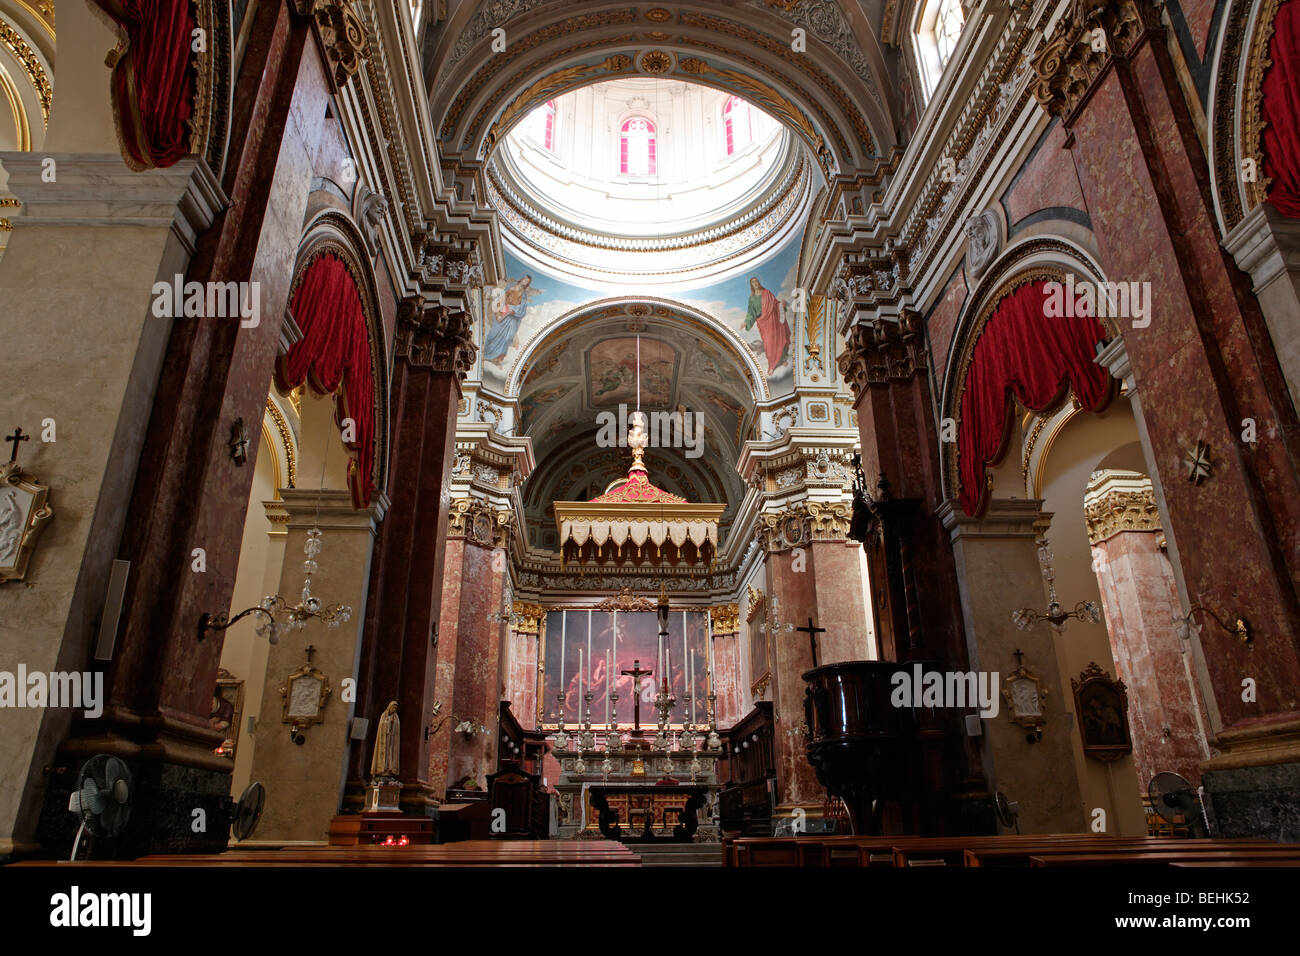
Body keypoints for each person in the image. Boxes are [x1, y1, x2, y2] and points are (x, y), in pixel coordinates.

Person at [483, 275, 535, 365]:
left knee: (507, 337)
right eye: (525, 279)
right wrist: (501, 307)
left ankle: (497, 358)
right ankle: (487, 353)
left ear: (527, 284)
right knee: (493, 333)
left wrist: (512, 310)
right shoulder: (511, 286)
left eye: (527, 281)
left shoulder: (523, 295)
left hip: (511, 318)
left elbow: (522, 308)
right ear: (522, 279)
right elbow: (502, 297)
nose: (524, 281)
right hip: (503, 311)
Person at [744, 277, 790, 374]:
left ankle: (781, 361)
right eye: (753, 282)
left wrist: (781, 305)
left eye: (756, 281)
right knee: (768, 343)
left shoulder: (767, 292)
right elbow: (751, 313)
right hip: (763, 322)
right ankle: (772, 364)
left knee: (778, 340)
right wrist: (746, 322)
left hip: (773, 319)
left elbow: (775, 304)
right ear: (751, 285)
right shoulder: (752, 298)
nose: (755, 283)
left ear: (759, 282)